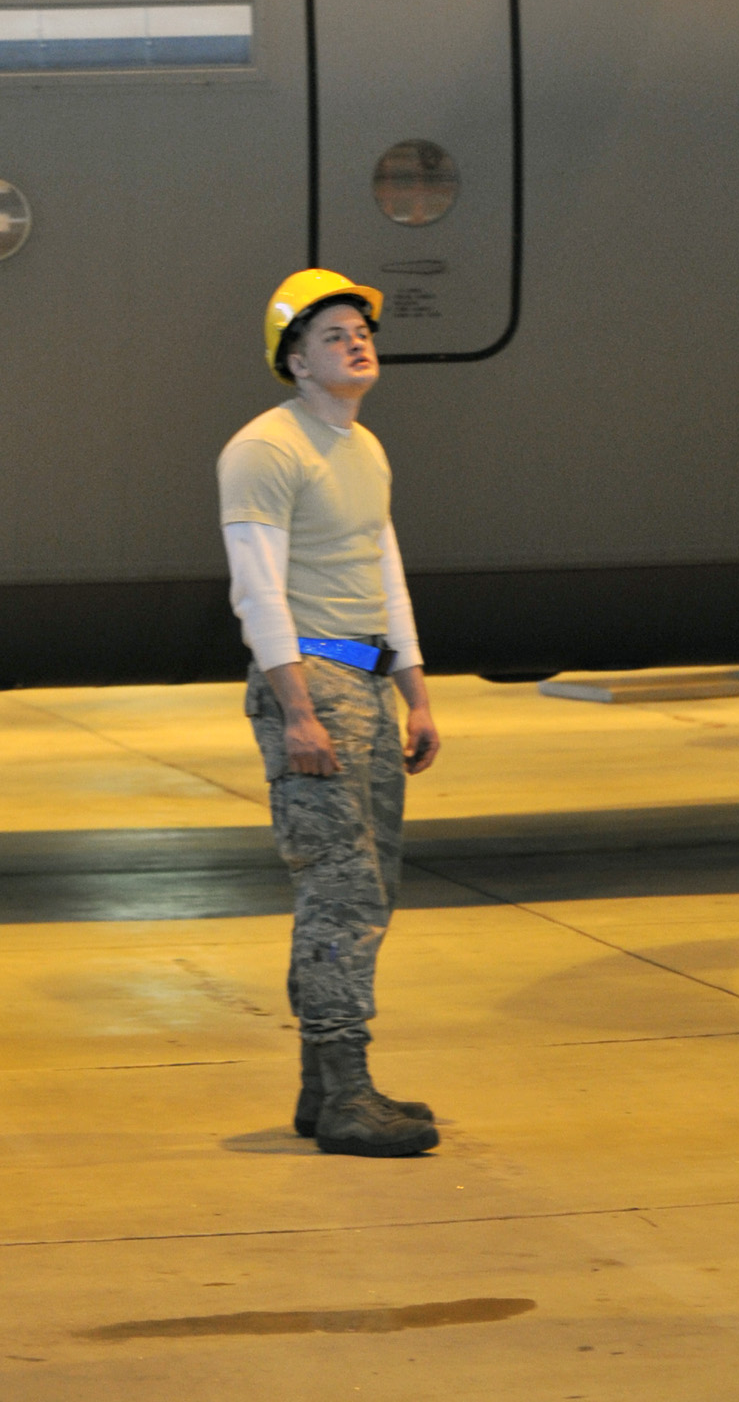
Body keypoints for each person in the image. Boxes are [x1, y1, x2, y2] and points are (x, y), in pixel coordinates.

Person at [217, 269, 443, 1156]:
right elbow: (255, 590)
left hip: (366, 682)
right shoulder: (266, 449)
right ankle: (349, 1093)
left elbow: (384, 576)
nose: (357, 340)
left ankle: (323, 1090)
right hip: (312, 682)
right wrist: (298, 711)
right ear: (296, 362)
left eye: (361, 328)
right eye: (333, 333)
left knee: (373, 885)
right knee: (339, 894)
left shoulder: (365, 448)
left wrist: (416, 691)